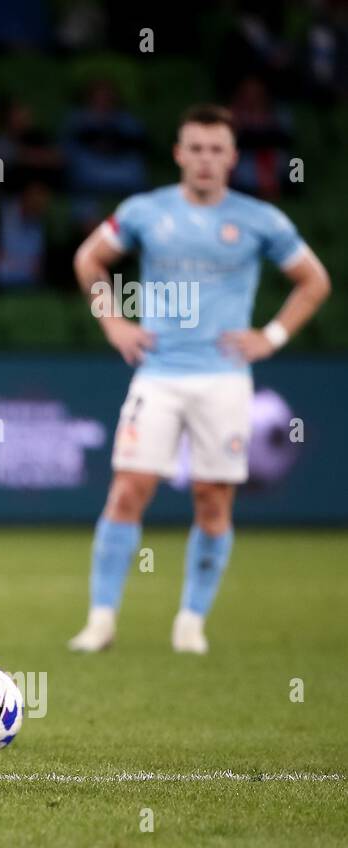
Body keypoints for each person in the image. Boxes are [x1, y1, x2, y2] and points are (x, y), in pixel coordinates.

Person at [68, 104, 330, 654]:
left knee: (213, 500)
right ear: (178, 153)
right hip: (158, 376)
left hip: (224, 379)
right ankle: (101, 620)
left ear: (232, 157)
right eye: (196, 148)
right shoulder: (145, 210)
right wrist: (113, 321)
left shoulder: (261, 220)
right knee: (128, 490)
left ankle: (191, 622)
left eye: (217, 150)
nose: (206, 160)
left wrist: (273, 336)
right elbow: (89, 260)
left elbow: (313, 281)